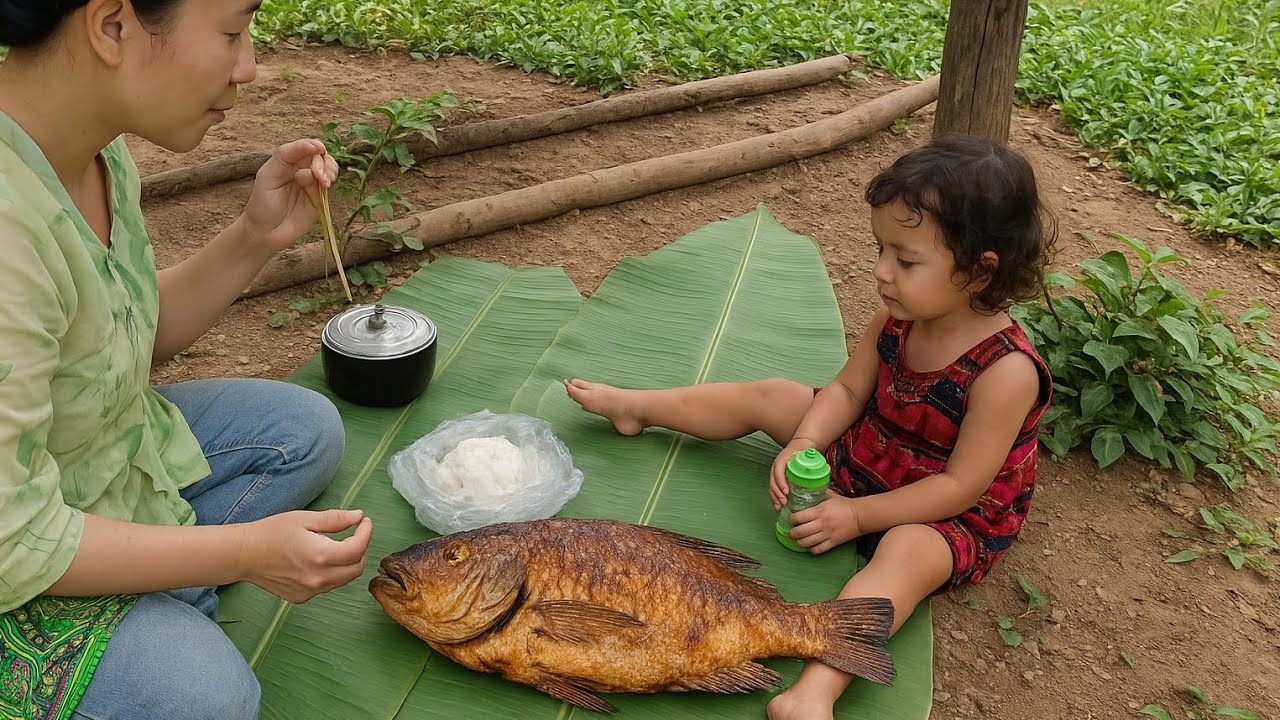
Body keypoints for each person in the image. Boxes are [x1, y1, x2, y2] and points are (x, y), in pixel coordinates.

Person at [564, 135, 1056, 720]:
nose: (881, 272)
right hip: (871, 448)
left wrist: (856, 517)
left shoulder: (1006, 371)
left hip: (942, 508)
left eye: (905, 260)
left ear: (979, 272)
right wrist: (804, 441)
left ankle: (814, 691)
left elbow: (960, 487)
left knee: (904, 554)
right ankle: (638, 407)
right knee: (773, 395)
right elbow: (846, 392)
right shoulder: (896, 317)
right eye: (880, 249)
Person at [0, 2, 373, 718]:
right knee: (203, 697)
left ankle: (141, 578)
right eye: (231, 32)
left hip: (85, 464)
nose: (248, 67)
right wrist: (244, 552)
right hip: (15, 542)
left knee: (301, 433)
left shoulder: (93, 151)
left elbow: (123, 335)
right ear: (113, 27)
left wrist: (255, 236)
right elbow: (12, 538)